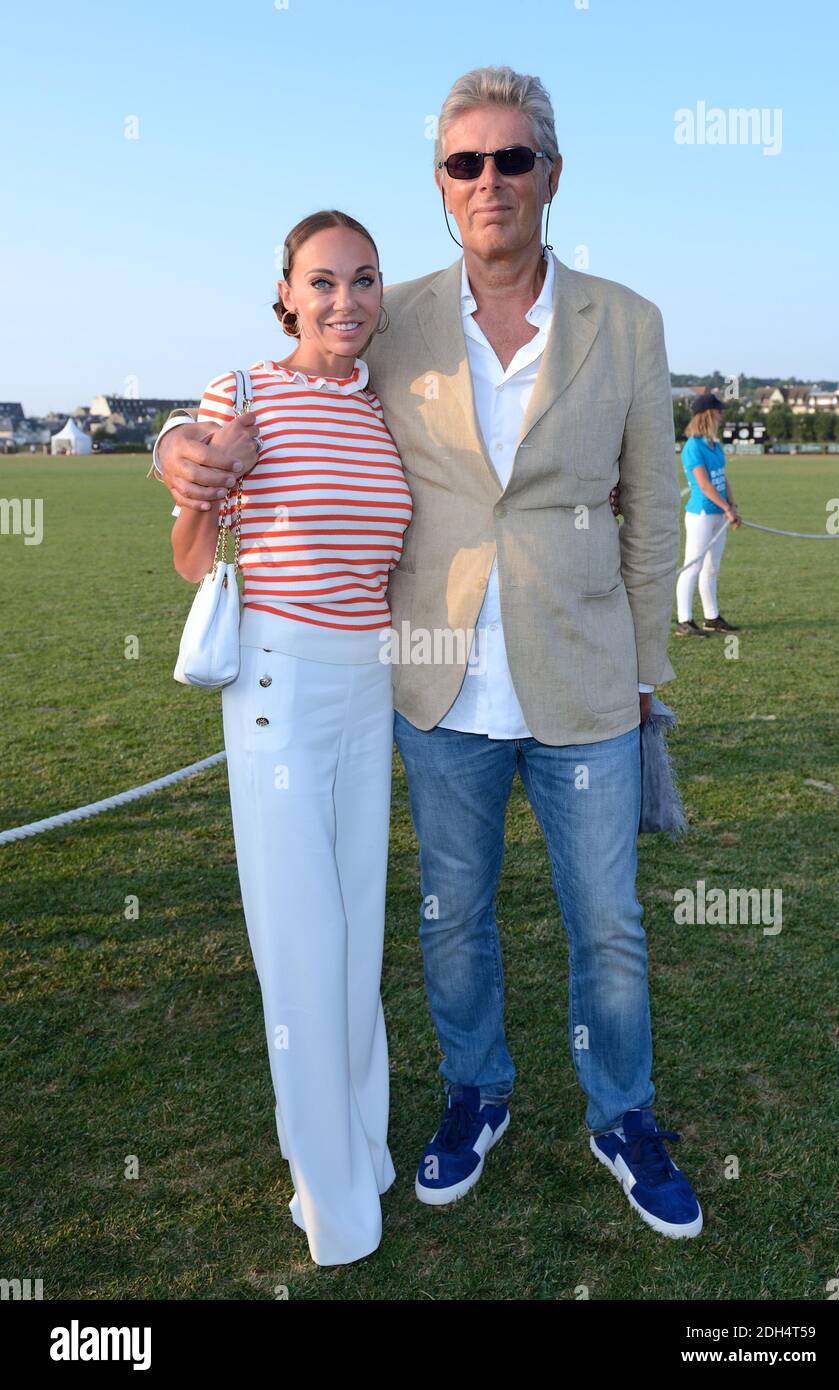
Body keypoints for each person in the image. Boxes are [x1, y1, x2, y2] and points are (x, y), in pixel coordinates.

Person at [152, 64, 703, 1241]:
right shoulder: (388, 314)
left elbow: (653, 512)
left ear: (550, 173)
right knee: (451, 921)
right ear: (441, 187)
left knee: (606, 922)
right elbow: (262, 394)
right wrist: (170, 445)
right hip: (431, 680)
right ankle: (475, 1096)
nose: (490, 180)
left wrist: (649, 669)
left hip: (587, 677)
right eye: (466, 163)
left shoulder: (629, 321)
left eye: (512, 159)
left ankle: (623, 1116)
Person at [169, 210, 413, 1267]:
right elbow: (190, 550)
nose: (344, 302)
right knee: (302, 946)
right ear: (285, 295)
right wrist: (193, 465)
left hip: (369, 688)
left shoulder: (383, 410)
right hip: (276, 688)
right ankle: (335, 1203)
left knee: (355, 938)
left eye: (362, 281)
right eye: (321, 283)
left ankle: (367, 1147)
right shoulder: (245, 392)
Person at [675, 392, 742, 636]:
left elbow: (722, 479)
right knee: (692, 566)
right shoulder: (693, 447)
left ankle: (712, 618)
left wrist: (732, 506)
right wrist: (726, 508)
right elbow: (704, 485)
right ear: (708, 415)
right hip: (702, 514)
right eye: (719, 412)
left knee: (711, 568)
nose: (722, 416)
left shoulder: (715, 445)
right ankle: (684, 620)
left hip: (719, 514)